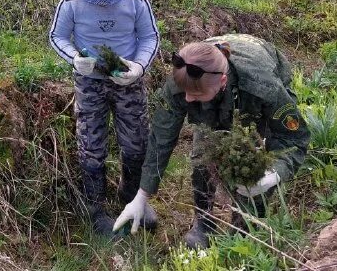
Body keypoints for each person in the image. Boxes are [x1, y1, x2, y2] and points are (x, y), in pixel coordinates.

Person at [114, 34, 309, 249]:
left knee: (256, 165)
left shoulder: (263, 87)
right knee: (202, 154)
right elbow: (161, 138)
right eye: (185, 93)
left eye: (194, 94)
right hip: (212, 82)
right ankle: (204, 222)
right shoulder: (183, 78)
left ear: (222, 82)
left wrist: (273, 174)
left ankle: (245, 226)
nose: (187, 99)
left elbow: (293, 138)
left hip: (255, 87)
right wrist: (142, 195)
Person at [49, 0, 160, 237]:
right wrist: (74, 58)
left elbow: (150, 36)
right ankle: (95, 209)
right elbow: (57, 36)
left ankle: (131, 196)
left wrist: (138, 67)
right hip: (89, 83)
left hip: (128, 81)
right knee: (91, 144)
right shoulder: (71, 0)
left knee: (137, 143)